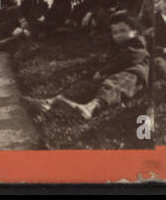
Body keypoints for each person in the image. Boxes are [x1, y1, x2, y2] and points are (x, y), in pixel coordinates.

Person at [20, 12, 149, 121]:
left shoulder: (138, 44)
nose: (118, 35)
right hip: (111, 73)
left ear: (136, 31)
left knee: (114, 85)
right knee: (84, 85)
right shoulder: (118, 46)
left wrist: (104, 70)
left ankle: (91, 107)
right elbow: (110, 59)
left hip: (133, 75)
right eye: (115, 33)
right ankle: (50, 103)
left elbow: (129, 57)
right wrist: (97, 71)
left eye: (123, 31)